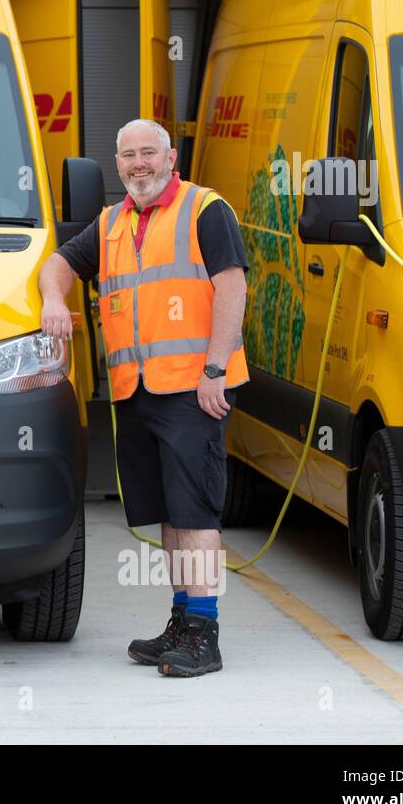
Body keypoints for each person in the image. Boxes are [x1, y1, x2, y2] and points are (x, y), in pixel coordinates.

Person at [39, 119, 249, 677]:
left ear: (170, 156)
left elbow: (233, 286)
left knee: (197, 511)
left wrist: (214, 370)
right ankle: (183, 620)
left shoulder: (205, 209)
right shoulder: (111, 224)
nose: (139, 164)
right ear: (118, 164)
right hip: (136, 391)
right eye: (128, 155)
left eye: (148, 153)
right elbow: (57, 264)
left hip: (193, 389)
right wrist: (52, 299)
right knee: (169, 514)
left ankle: (205, 635)